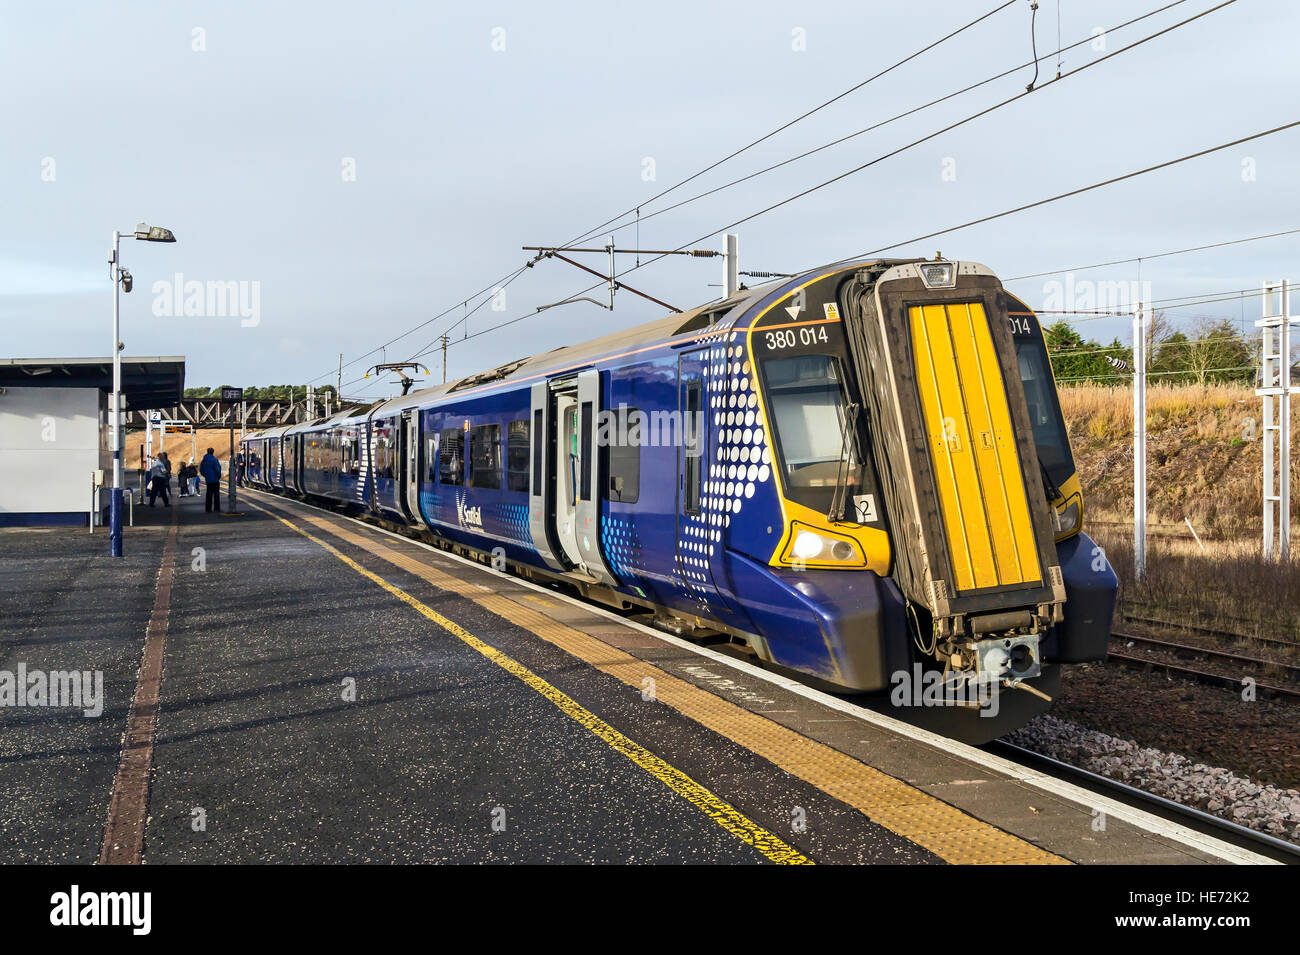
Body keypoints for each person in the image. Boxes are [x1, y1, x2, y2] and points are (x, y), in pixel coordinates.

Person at [200, 447, 222, 513]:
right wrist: (219, 476)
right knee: (216, 495)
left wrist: (206, 476)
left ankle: (208, 509)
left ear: (207, 452)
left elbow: (201, 470)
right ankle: (216, 508)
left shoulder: (204, 460)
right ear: (213, 452)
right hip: (215, 479)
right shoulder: (214, 460)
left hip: (208, 480)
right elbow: (217, 469)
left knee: (208, 495)